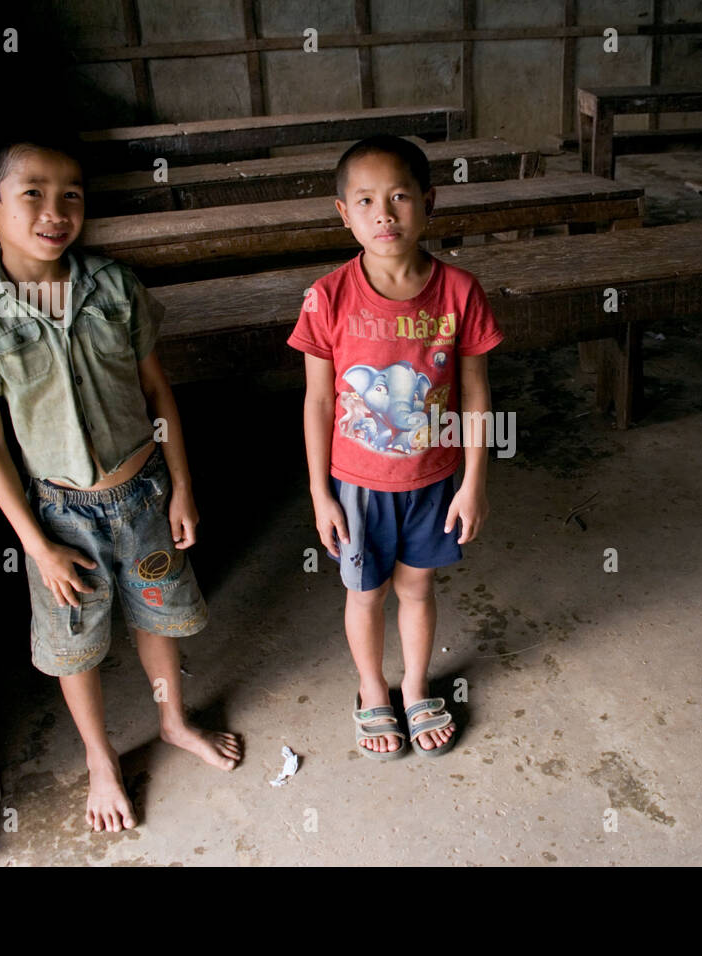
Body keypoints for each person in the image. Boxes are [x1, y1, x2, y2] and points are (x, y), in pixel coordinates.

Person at [0, 120, 242, 831]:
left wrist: (182, 484)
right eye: (32, 194)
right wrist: (36, 544)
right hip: (59, 517)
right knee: (75, 645)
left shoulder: (114, 290)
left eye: (72, 195)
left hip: (145, 492)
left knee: (158, 616)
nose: (56, 212)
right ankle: (100, 758)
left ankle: (173, 722)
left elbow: (159, 395)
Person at [288, 135, 503, 759]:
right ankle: (372, 689)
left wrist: (473, 483)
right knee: (366, 594)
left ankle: (413, 687)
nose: (385, 214)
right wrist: (319, 493)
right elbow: (319, 402)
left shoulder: (459, 292)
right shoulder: (327, 297)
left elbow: (475, 395)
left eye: (400, 196)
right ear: (343, 213)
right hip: (356, 486)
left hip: (434, 482)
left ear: (429, 203)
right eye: (366, 201)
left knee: (417, 589)